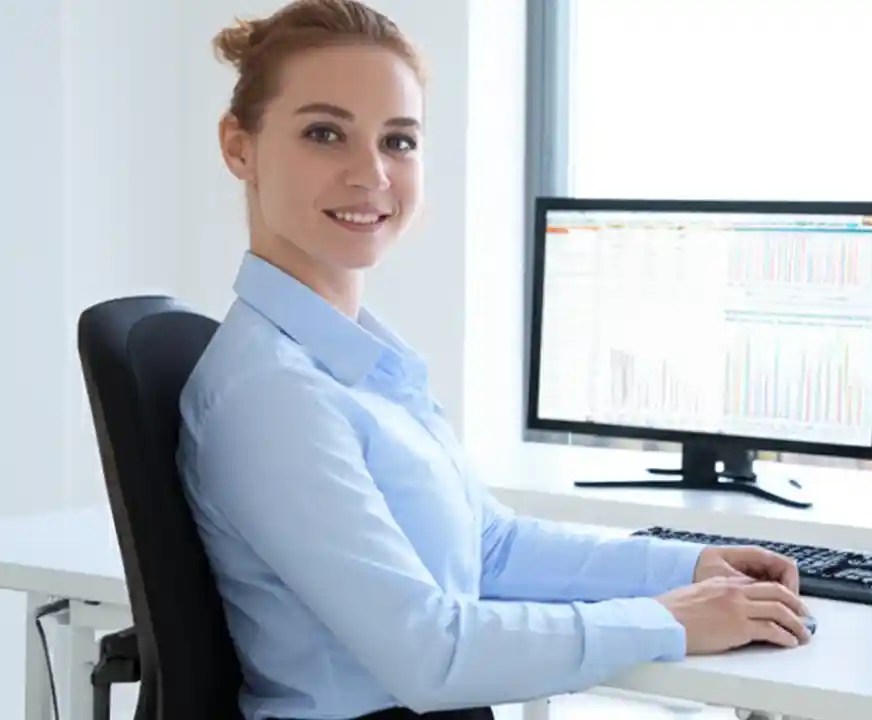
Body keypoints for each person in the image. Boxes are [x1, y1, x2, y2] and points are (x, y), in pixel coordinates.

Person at [176, 2, 812, 719]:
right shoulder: (272, 394)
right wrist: (670, 620)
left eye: (399, 141)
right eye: (325, 134)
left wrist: (688, 568)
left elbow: (490, 547)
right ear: (240, 147)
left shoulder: (361, 362)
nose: (371, 174)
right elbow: (431, 653)